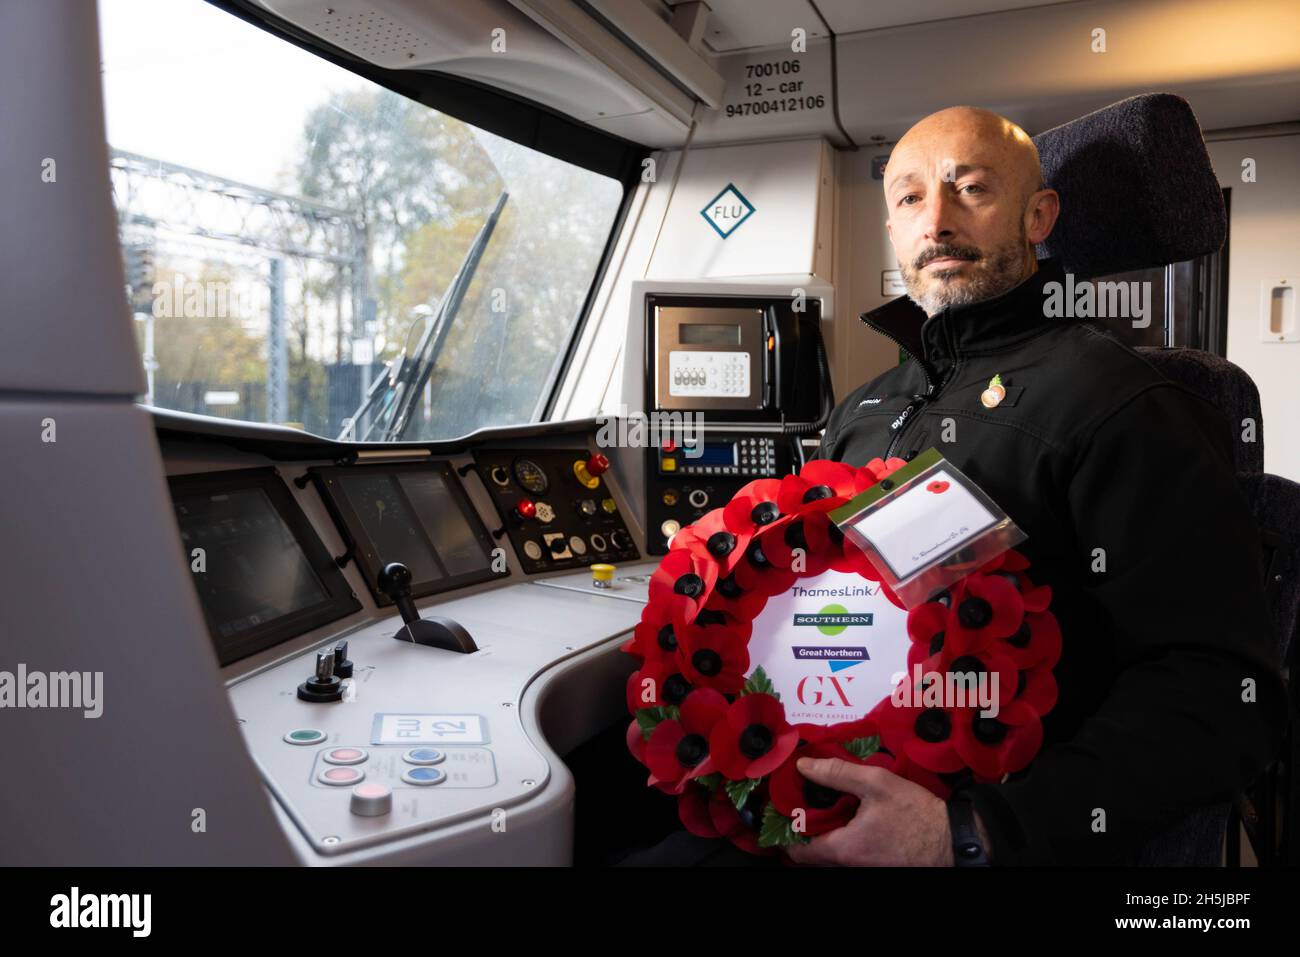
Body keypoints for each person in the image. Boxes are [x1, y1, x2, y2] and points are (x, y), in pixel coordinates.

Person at [622, 106, 1285, 866]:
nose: (936, 220)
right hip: (813, 790)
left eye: (969, 189)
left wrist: (972, 833)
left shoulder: (1123, 409)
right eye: (908, 198)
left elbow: (1222, 695)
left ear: (1038, 216)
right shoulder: (866, 407)